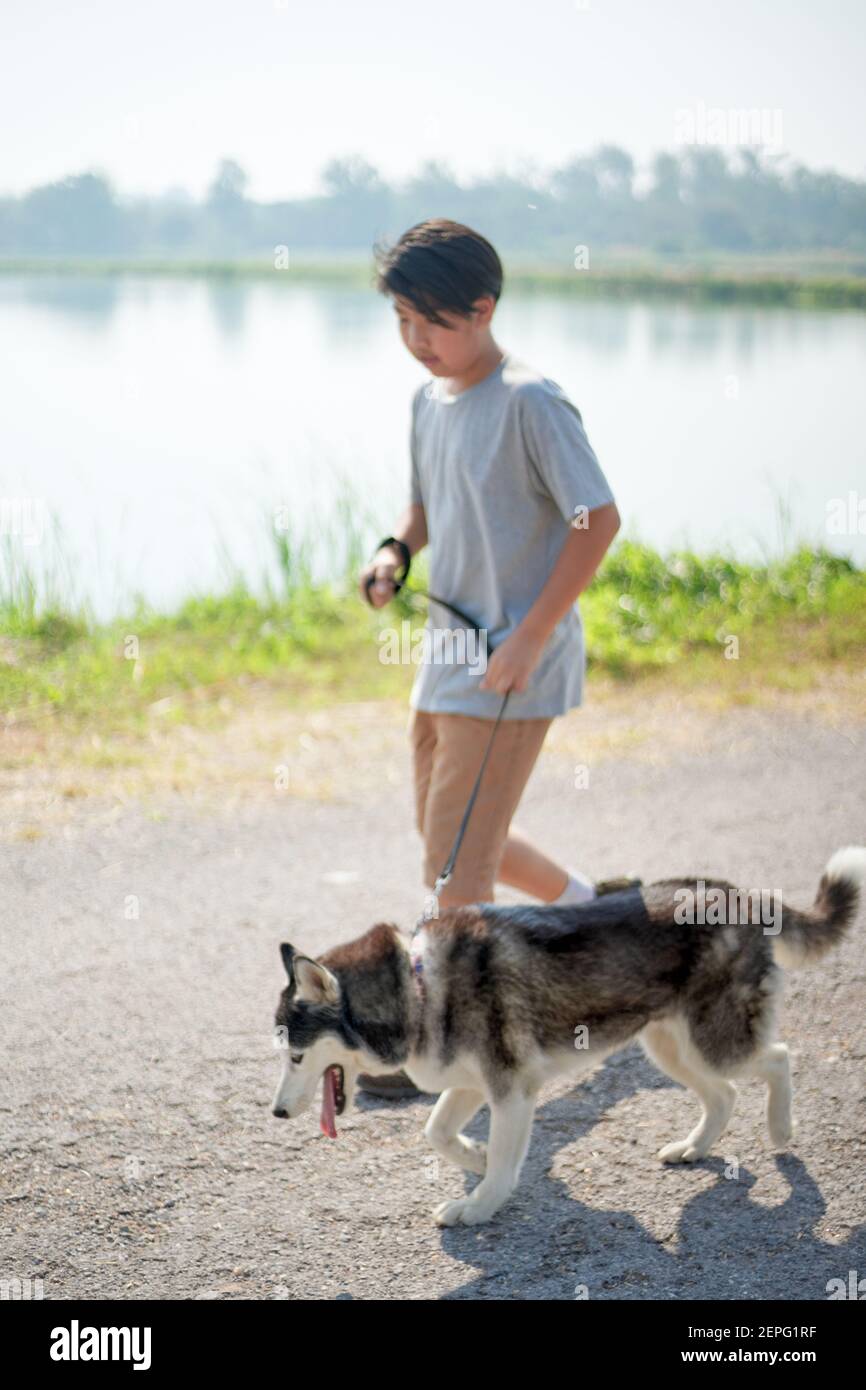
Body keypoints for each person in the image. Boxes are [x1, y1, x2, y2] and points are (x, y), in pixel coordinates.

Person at [358, 219, 627, 1097]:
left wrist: (531, 635)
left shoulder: (531, 400)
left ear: (484, 308)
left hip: (513, 665)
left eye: (432, 322)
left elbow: (598, 520)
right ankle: (600, 915)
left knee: (455, 865)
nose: (415, 341)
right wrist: (395, 552)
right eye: (402, 320)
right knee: (444, 833)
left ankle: (443, 1038)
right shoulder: (426, 401)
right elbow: (425, 504)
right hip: (445, 656)